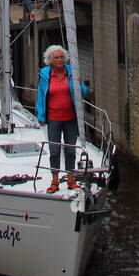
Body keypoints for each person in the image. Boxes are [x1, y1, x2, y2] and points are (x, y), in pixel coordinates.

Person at [35, 45, 88, 193]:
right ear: (50, 60)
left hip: (70, 118)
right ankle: (55, 181)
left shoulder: (71, 73)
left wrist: (80, 83)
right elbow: (40, 97)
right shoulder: (45, 75)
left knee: (70, 149)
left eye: (61, 57)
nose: (59, 60)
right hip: (53, 119)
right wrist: (41, 116)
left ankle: (71, 179)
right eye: (56, 57)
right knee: (54, 150)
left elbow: (82, 93)